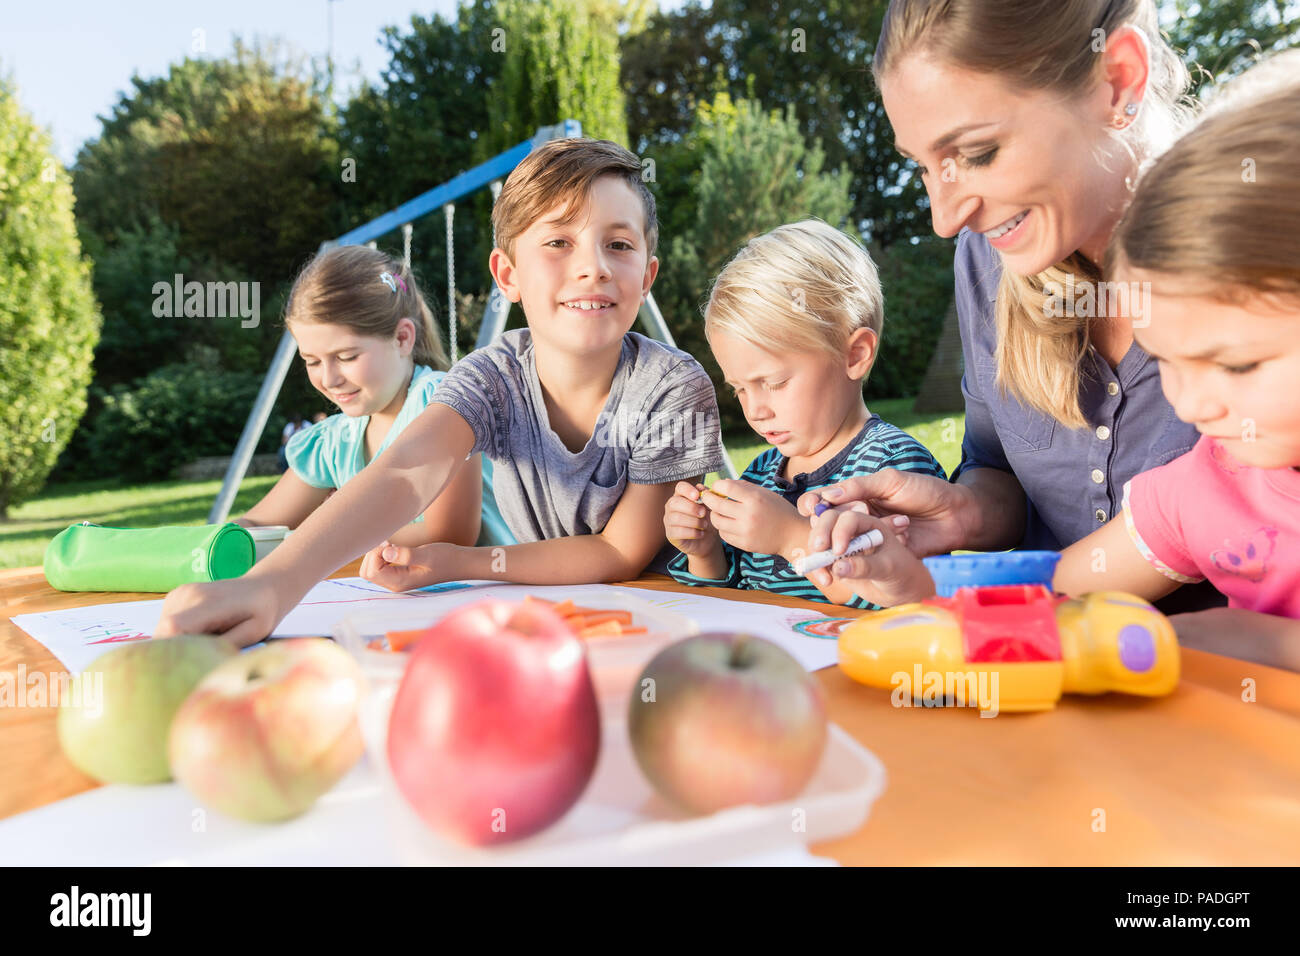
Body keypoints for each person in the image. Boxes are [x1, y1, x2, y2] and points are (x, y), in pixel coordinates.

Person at [156, 138, 728, 646]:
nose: (593, 268)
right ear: (508, 277)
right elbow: (409, 468)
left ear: (647, 275)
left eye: (619, 245)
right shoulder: (493, 376)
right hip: (550, 624)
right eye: (558, 241)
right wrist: (272, 585)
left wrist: (460, 561)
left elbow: (619, 554)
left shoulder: (673, 388)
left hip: (662, 625)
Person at [798, 0, 1223, 613]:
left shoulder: (1260, 266)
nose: (945, 220)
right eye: (922, 168)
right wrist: (963, 514)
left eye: (976, 154)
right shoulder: (988, 255)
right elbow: (997, 469)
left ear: (1118, 80)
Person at [1050, 55, 1300, 671]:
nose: (1189, 405)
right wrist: (906, 582)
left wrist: (1269, 644)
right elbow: (1059, 598)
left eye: (1237, 365)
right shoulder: (1207, 486)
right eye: (1164, 359)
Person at [664, 219, 944, 606]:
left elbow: (909, 600)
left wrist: (790, 537)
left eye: (775, 382)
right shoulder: (761, 474)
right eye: (739, 389)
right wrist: (704, 550)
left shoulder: (894, 470)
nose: (755, 410)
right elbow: (726, 598)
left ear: (855, 355)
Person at [232, 244, 484, 550]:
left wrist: (330, 526)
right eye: (312, 361)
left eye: (347, 356)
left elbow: (449, 537)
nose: (329, 379)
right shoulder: (332, 443)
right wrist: (217, 542)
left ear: (402, 338)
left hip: (501, 594)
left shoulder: (443, 404)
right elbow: (256, 525)